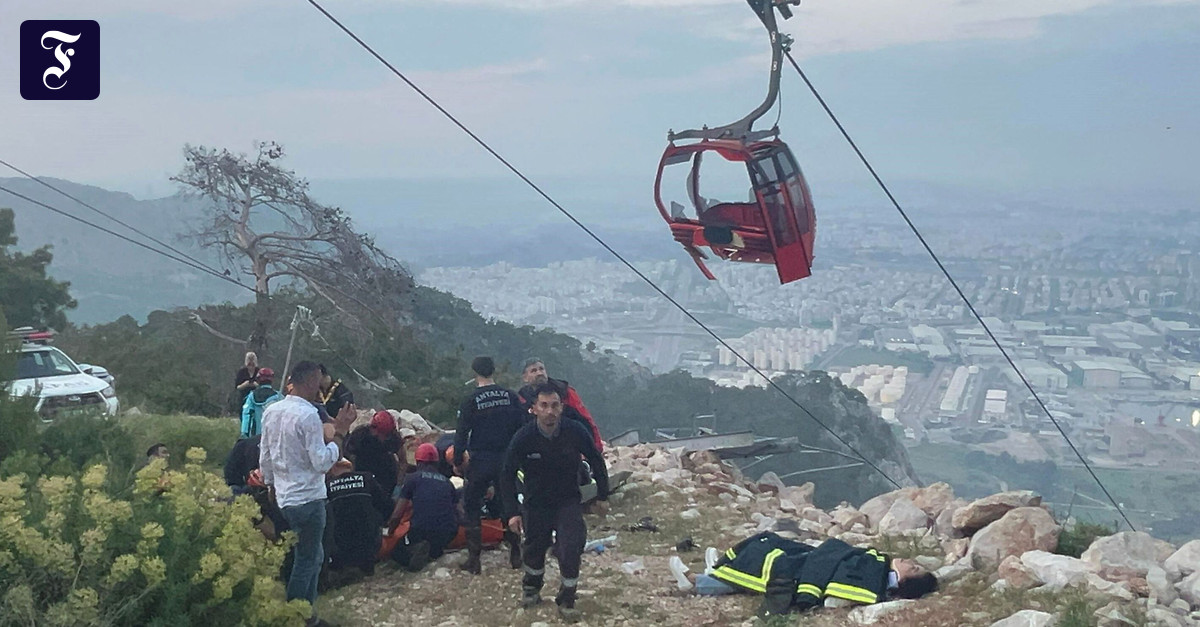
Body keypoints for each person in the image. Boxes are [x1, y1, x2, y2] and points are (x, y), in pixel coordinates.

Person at [501, 382, 610, 622]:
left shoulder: (575, 431)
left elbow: (596, 460)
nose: (550, 411)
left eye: (554, 405)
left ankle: (567, 598)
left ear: (561, 407)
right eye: (544, 405)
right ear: (534, 409)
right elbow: (506, 475)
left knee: (571, 547)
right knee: (534, 549)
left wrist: (603, 495)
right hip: (535, 503)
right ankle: (531, 588)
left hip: (568, 501)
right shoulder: (524, 437)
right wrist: (511, 513)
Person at [259, 360, 356, 627]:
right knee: (307, 559)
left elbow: (265, 454)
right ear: (313, 383)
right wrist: (340, 434)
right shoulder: (308, 416)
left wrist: (270, 483)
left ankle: (302, 612)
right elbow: (322, 462)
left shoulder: (271, 411)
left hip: (283, 496)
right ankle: (301, 617)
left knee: (310, 555)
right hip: (308, 498)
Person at [704, 532, 938, 617]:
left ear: (904, 581)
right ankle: (720, 568)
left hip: (803, 572)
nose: (909, 561)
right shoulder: (876, 565)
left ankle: (705, 580)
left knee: (773, 562)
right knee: (774, 544)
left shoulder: (873, 579)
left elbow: (838, 590)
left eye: (914, 568)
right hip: (812, 559)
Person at [454, 356, 527, 574]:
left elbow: (461, 434)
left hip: (481, 459)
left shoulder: (471, 400)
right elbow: (522, 428)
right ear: (494, 371)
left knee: (473, 507)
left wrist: (458, 460)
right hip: (506, 459)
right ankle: (515, 553)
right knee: (509, 504)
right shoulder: (510, 396)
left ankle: (474, 560)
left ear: (474, 372)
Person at [387, 443, 460, 573]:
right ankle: (433, 551)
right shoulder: (447, 482)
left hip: (422, 530)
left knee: (396, 553)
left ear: (418, 461)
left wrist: (390, 532)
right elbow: (458, 511)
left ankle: (417, 551)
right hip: (448, 533)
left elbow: (397, 514)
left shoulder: (412, 479)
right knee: (434, 550)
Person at [517, 358, 603, 452]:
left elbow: (586, 419)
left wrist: (596, 447)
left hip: (570, 447)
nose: (539, 373)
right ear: (525, 377)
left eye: (541, 369)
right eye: (533, 371)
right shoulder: (522, 400)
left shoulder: (565, 392)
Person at [324, 459, 392, 575]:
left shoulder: (327, 487)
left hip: (340, 547)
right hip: (369, 544)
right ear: (351, 468)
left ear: (333, 469)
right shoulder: (366, 478)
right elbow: (386, 505)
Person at [344, 410, 403, 502]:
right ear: (374, 429)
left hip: (385, 471)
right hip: (362, 467)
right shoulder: (360, 435)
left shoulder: (393, 437)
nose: (385, 438)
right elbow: (348, 454)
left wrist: (398, 483)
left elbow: (402, 458)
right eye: (383, 434)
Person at [241, 367, 282, 439]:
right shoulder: (279, 397)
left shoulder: (251, 396)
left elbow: (246, 415)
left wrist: (244, 434)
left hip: (255, 438)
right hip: (274, 437)